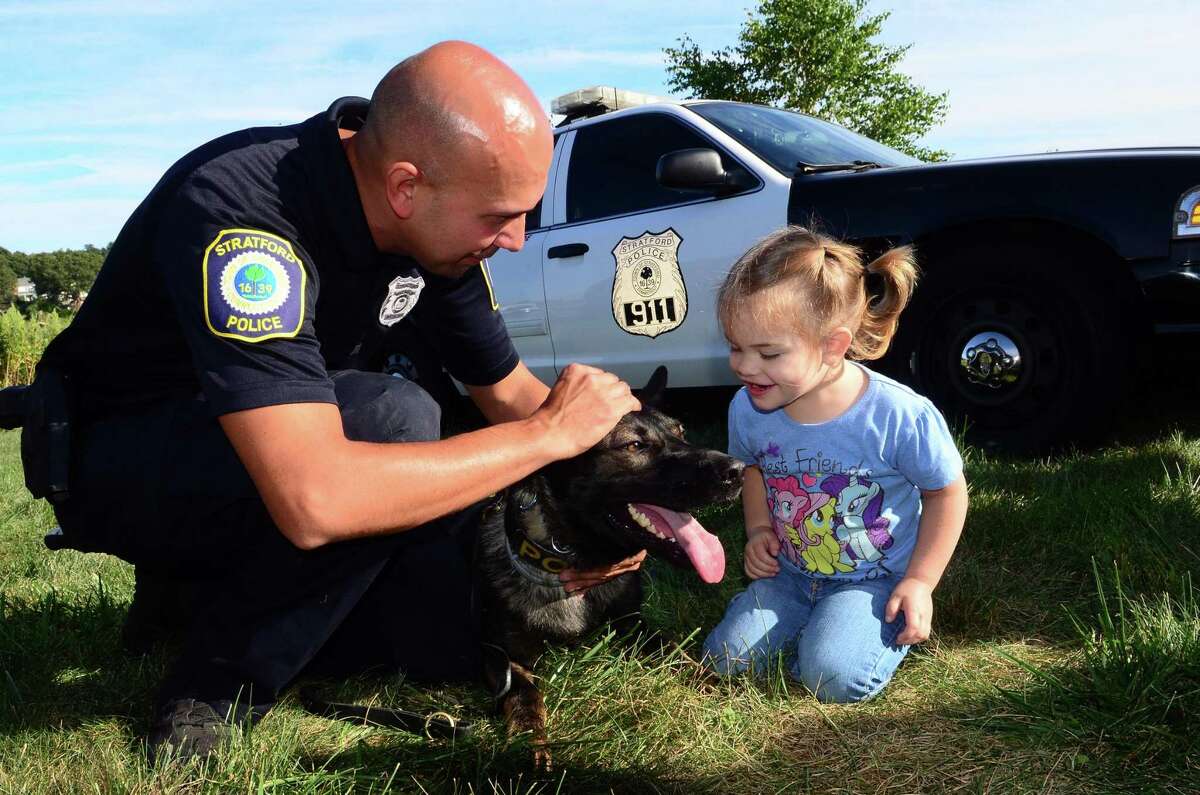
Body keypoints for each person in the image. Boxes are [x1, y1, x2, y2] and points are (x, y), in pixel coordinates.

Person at [30, 41, 643, 761]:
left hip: (273, 448)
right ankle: (217, 684)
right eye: (500, 216)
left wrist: (616, 487)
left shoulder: (440, 236)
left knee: (449, 634)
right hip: (123, 461)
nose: (514, 240)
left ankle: (187, 600)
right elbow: (315, 495)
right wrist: (549, 435)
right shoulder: (246, 214)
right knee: (399, 416)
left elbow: (509, 394)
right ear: (407, 187)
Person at [701, 226, 968, 703]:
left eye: (767, 353)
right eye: (734, 346)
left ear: (832, 346)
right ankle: (805, 622)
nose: (743, 366)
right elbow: (756, 470)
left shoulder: (896, 415)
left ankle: (845, 632)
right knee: (726, 662)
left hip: (874, 580)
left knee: (833, 677)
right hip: (789, 573)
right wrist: (760, 530)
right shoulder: (748, 408)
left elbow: (946, 492)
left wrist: (919, 582)